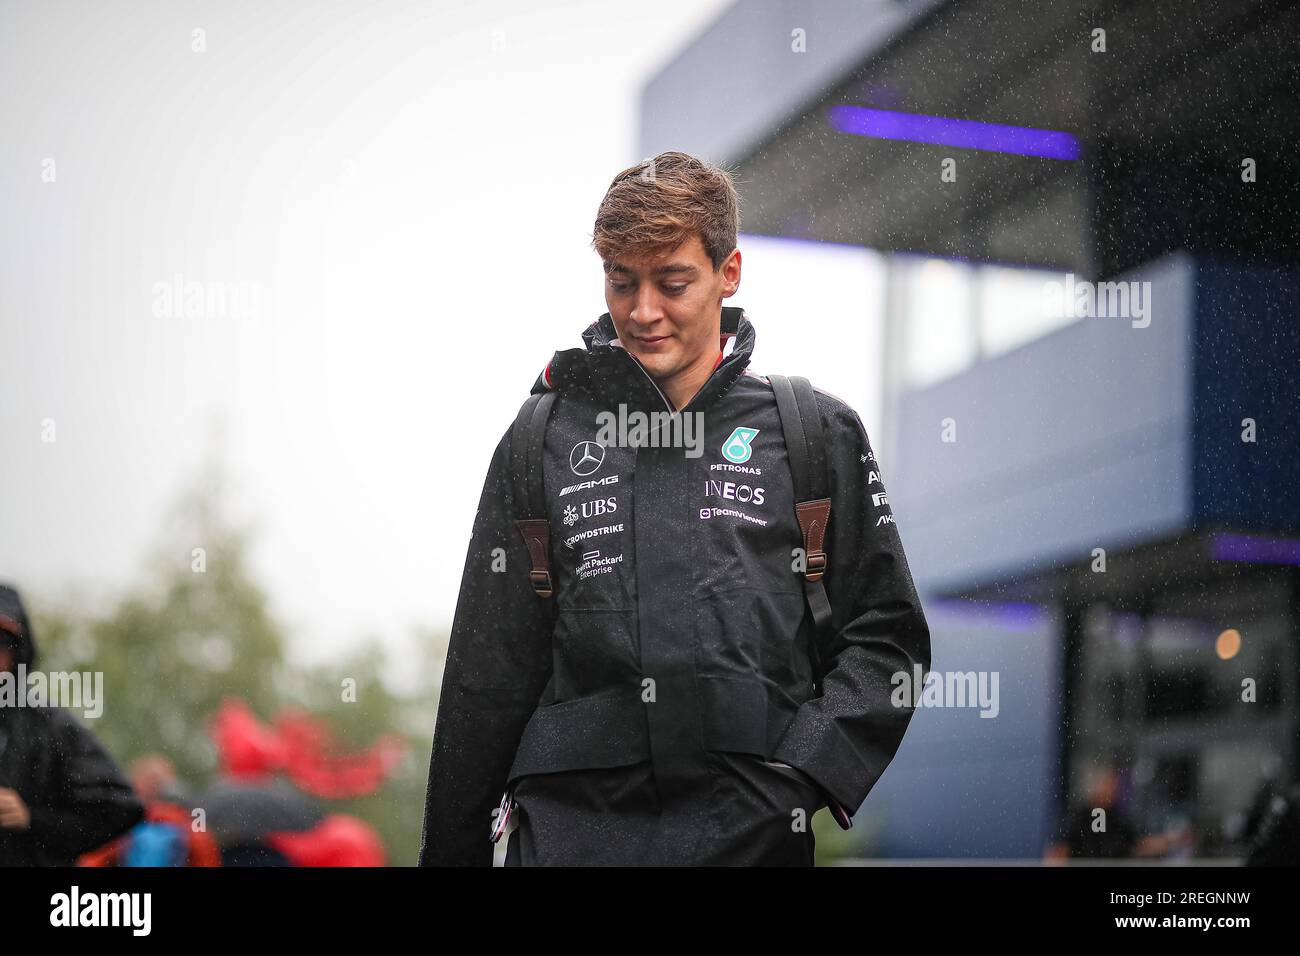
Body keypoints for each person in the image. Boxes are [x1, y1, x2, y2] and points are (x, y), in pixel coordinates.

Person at [418, 151, 932, 866]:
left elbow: (888, 641)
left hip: (751, 834)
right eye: (621, 283)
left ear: (729, 273)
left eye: (672, 282)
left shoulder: (814, 432)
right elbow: (485, 676)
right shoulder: (539, 438)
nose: (642, 311)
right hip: (567, 839)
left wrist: (807, 773)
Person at [0, 583, 145, 866]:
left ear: (18, 650)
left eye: (0, 642)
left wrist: (32, 818)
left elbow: (120, 808)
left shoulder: (47, 725)